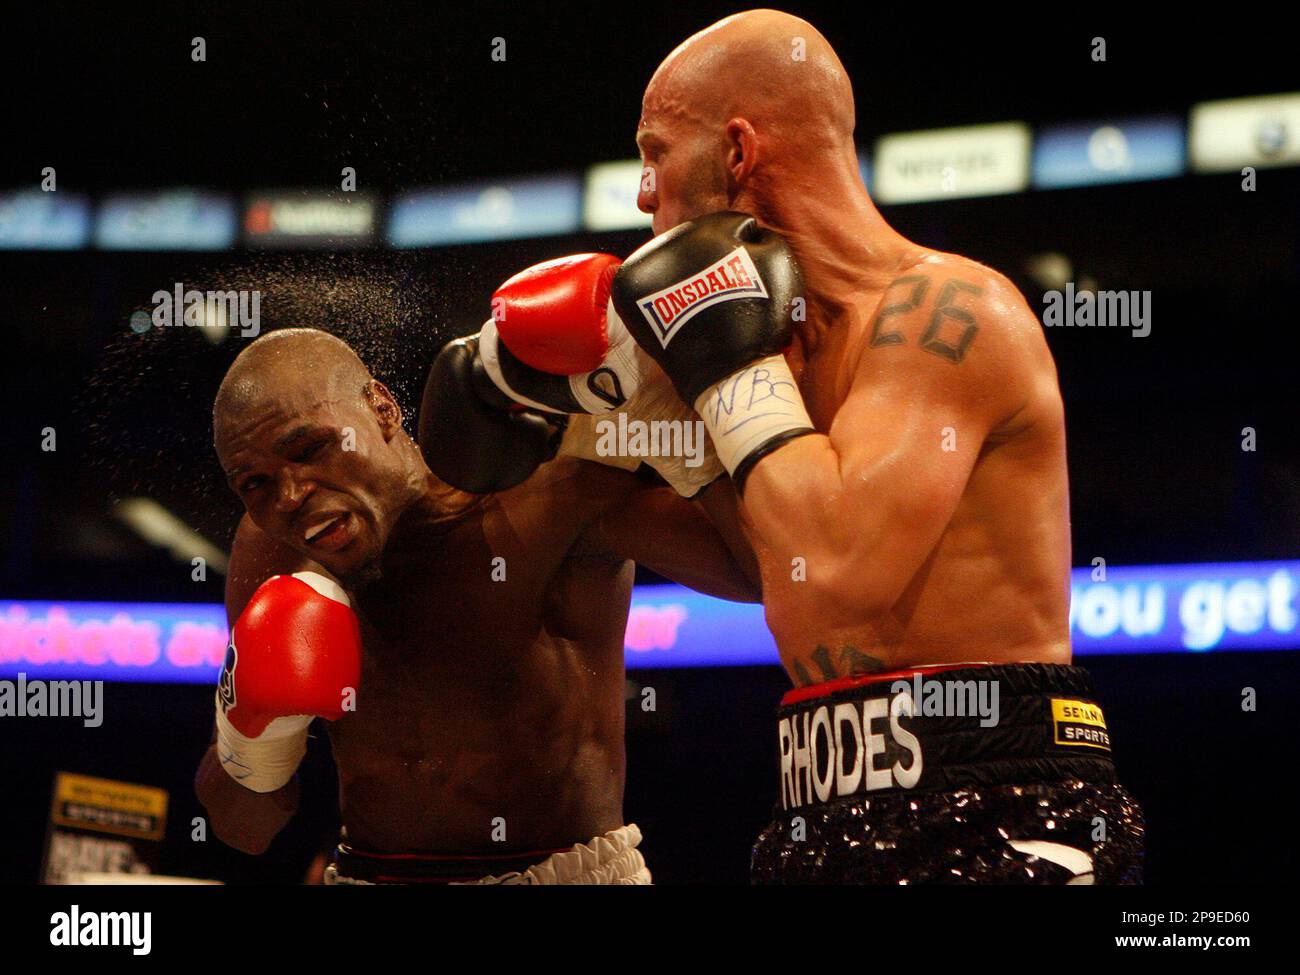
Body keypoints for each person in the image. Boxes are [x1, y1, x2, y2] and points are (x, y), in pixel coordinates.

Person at [605, 9, 1144, 883]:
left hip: (1004, 808)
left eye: (655, 152)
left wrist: (719, 371)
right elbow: (777, 570)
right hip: (818, 808)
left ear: (738, 152)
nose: (642, 192)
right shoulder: (780, 347)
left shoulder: (950, 312)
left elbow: (843, 568)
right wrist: (595, 453)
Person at [195, 252, 757, 884]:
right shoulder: (270, 549)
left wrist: (686, 428)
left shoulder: (544, 492)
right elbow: (247, 830)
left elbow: (765, 575)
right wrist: (248, 742)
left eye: (310, 448)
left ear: (381, 408)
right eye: (256, 483)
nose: (290, 495)